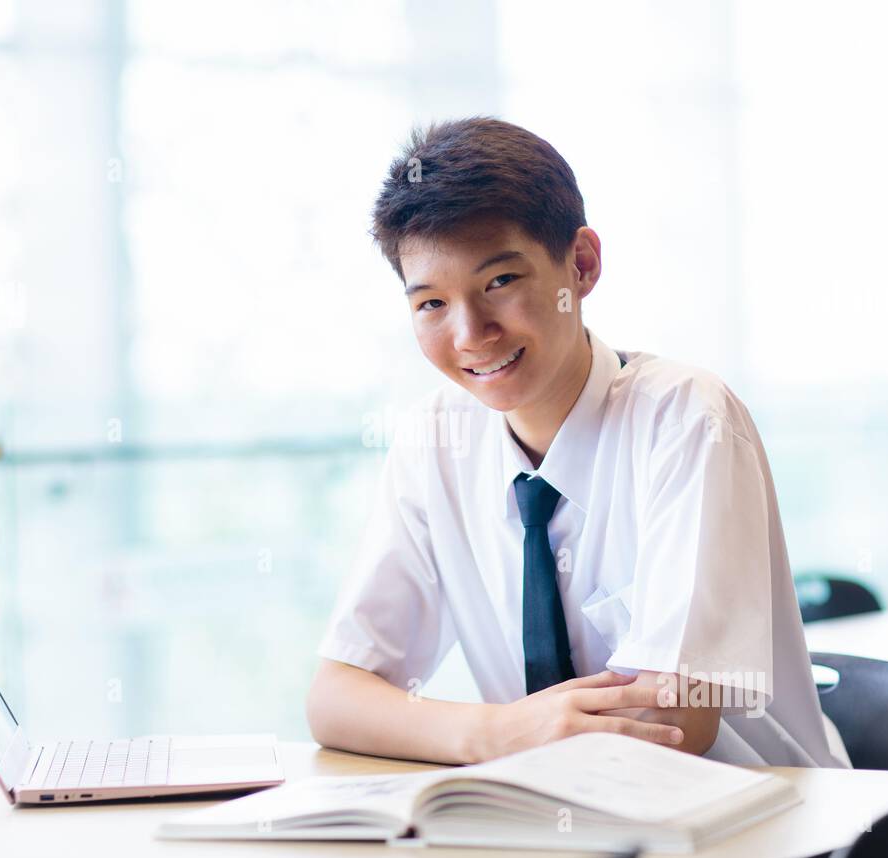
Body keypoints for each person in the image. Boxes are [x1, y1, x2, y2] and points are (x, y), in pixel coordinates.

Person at [306, 116, 850, 770]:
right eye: (431, 305)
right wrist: (495, 733)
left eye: (500, 282)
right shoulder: (435, 441)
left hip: (758, 823)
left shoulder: (684, 419)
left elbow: (671, 720)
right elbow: (337, 699)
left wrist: (480, 732)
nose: (471, 333)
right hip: (561, 818)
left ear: (582, 264)